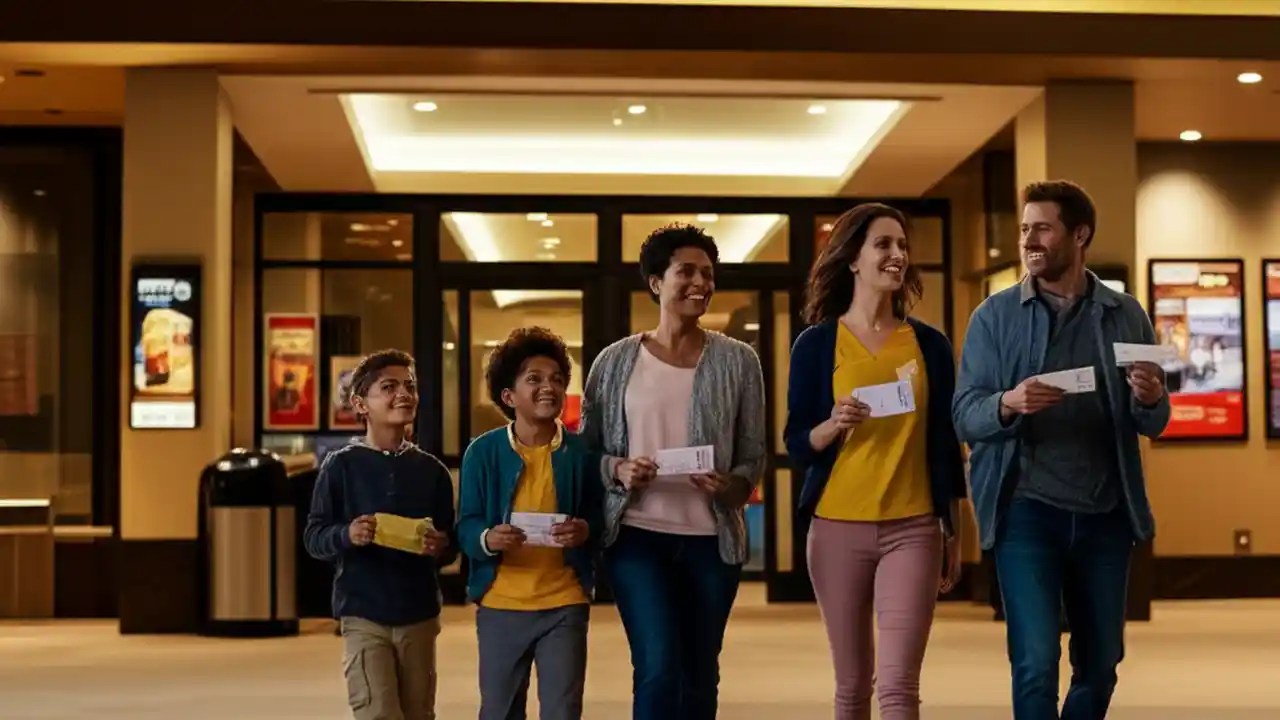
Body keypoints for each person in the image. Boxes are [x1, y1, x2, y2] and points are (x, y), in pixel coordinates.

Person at [953, 180, 1170, 719]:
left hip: (1106, 513)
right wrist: (1009, 401)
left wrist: (1152, 397)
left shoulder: (1125, 313)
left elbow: (1155, 421)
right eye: (1026, 229)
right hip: (1027, 509)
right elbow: (965, 413)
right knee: (1034, 661)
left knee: (1100, 663)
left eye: (1042, 228)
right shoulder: (994, 316)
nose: (1030, 239)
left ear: (1080, 235)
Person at [784, 203, 967, 720]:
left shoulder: (928, 345)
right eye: (883, 245)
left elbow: (944, 441)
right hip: (836, 527)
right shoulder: (817, 345)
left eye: (902, 246)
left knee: (899, 687)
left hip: (913, 528)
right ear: (853, 259)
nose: (897, 255)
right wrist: (833, 424)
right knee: (851, 687)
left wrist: (953, 527)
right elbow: (797, 441)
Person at [580, 223, 766, 720]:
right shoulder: (614, 362)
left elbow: (753, 452)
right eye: (686, 271)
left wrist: (734, 485)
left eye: (708, 273)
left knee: (700, 671)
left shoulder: (739, 361)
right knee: (658, 665)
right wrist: (617, 468)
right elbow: (585, 451)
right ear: (657, 282)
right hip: (637, 535)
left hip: (712, 539)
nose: (700, 282)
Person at [457, 327, 604, 720]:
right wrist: (488, 537)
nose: (548, 388)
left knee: (562, 710)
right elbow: (466, 525)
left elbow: (600, 518)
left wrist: (585, 531)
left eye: (557, 380)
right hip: (501, 602)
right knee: (500, 711)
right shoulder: (483, 452)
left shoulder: (580, 453)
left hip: (564, 601)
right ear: (509, 396)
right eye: (534, 379)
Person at [303, 349, 456, 720]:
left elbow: (448, 544)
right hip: (363, 613)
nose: (403, 394)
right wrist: (347, 534)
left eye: (410, 386)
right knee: (378, 712)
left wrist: (441, 546)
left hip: (418, 612)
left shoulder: (431, 470)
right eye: (389, 387)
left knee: (419, 712)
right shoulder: (340, 466)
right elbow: (314, 536)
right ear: (360, 404)